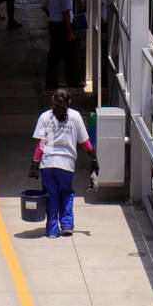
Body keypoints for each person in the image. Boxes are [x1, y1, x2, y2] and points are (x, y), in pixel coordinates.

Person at [29, 88, 98, 238]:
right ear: (70, 102)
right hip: (66, 164)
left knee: (51, 195)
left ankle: (52, 230)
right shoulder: (75, 116)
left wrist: (35, 163)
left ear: (53, 98)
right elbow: (85, 142)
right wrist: (93, 158)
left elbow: (41, 144)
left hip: (47, 164)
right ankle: (67, 225)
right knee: (66, 193)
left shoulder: (45, 117)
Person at [45, 0, 81, 91]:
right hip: (62, 26)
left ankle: (51, 81)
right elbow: (66, 13)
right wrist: (70, 32)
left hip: (54, 24)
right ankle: (73, 81)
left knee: (54, 55)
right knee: (71, 55)